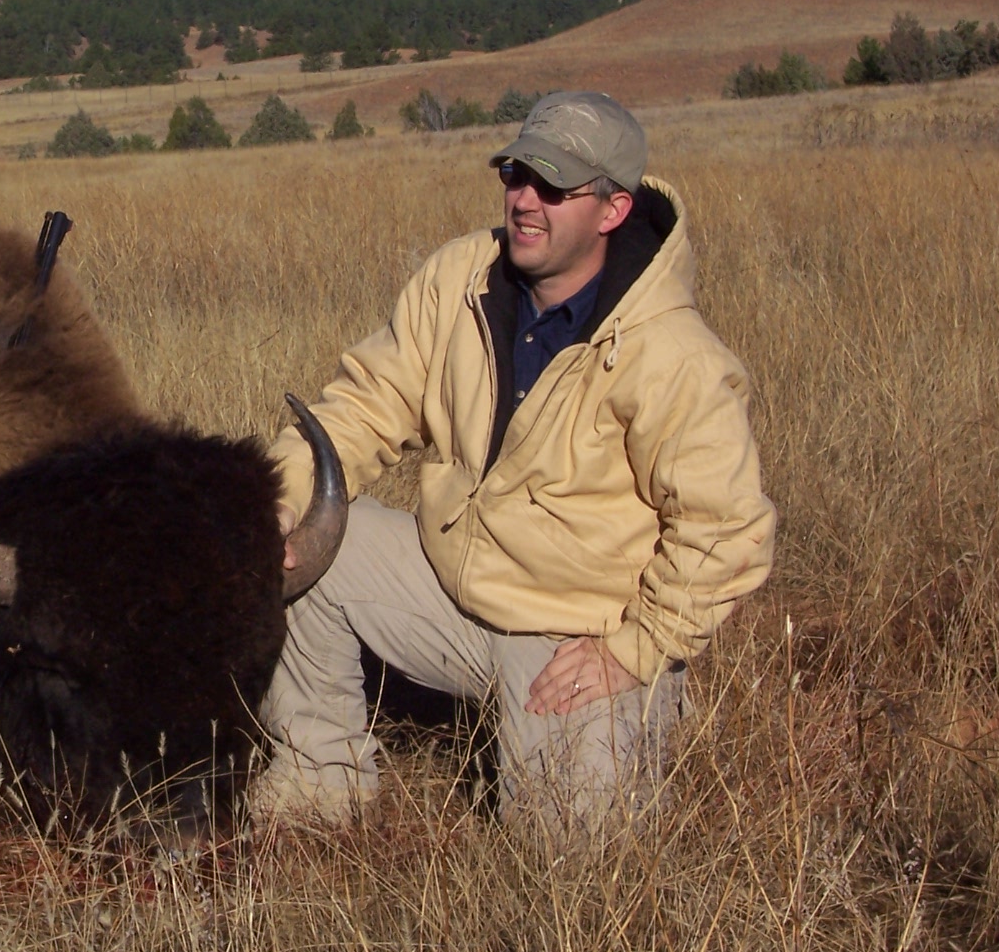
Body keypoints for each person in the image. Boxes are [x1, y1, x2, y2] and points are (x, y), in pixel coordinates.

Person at [259, 91, 775, 831]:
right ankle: (320, 781)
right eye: (515, 175)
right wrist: (278, 506)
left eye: (554, 187)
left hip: (575, 633)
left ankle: (650, 706)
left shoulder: (675, 354)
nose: (524, 200)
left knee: (565, 862)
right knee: (305, 555)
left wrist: (635, 650)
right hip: (452, 589)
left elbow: (727, 532)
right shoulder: (460, 280)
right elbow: (366, 403)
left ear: (613, 209)